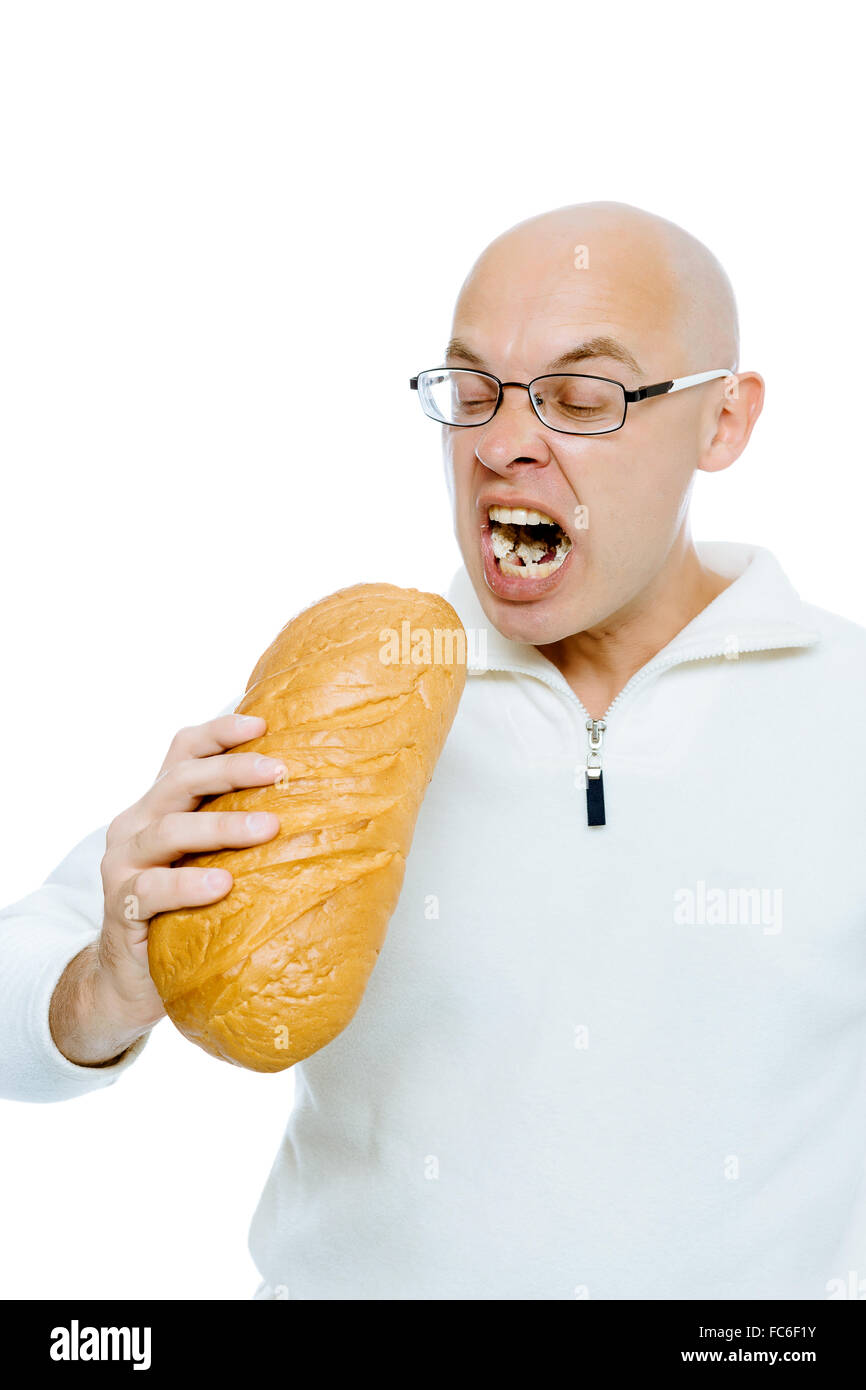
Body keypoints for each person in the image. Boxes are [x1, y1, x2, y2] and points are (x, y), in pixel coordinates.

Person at [3, 201, 865, 1300]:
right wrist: (100, 987)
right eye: (471, 392)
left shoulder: (845, 709)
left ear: (722, 422)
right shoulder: (356, 694)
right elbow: (16, 997)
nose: (503, 442)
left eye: (577, 397)